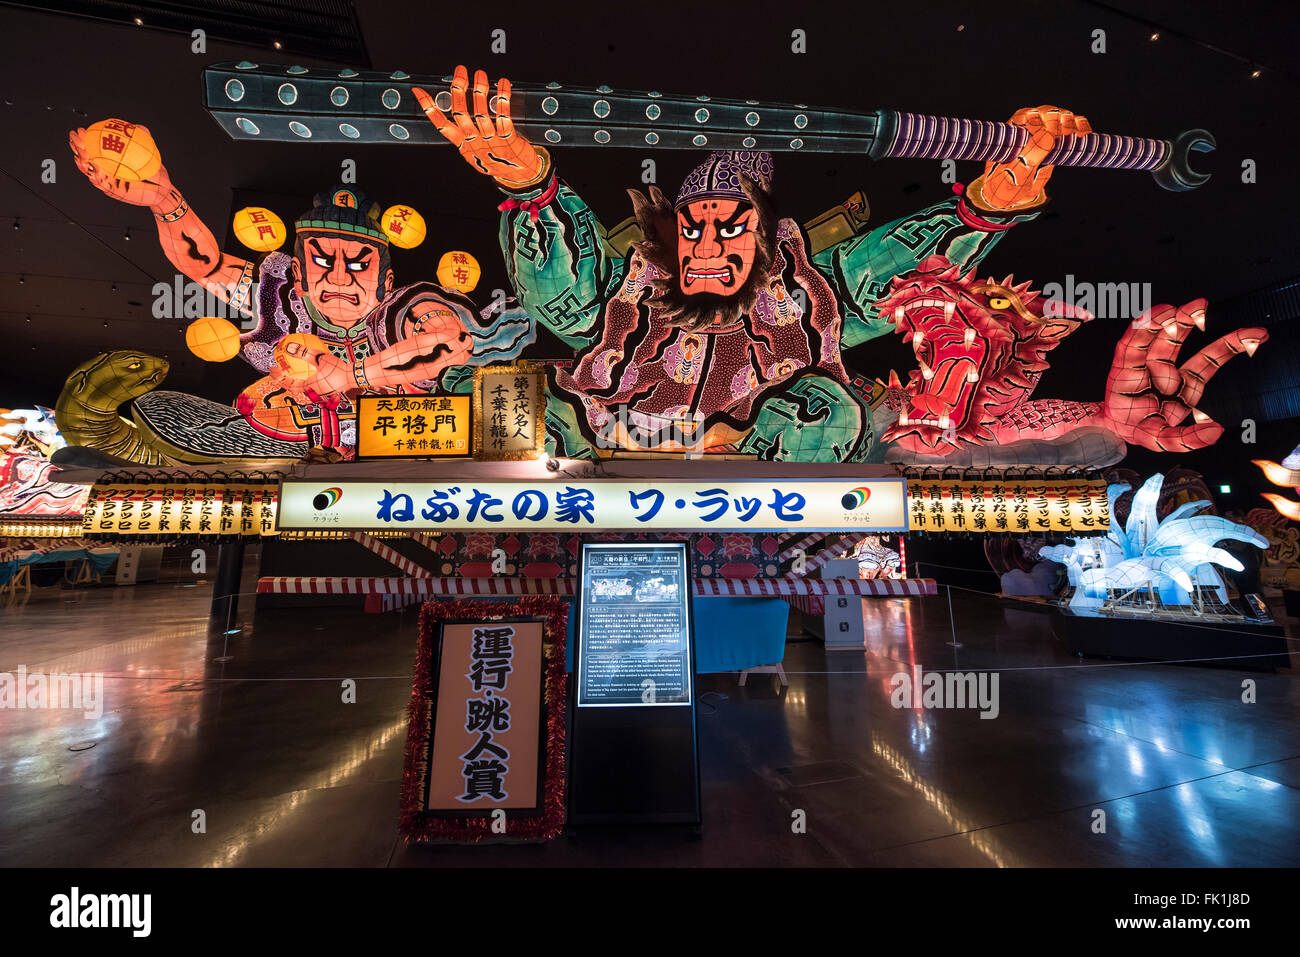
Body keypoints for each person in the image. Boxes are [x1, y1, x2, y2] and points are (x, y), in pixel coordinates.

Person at [415, 67, 1091, 462]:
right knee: (496, 401)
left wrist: (984, 208)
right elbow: (560, 297)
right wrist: (533, 191)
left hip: (752, 490)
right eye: (692, 231)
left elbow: (886, 271)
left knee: (831, 407)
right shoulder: (634, 292)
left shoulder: (806, 291)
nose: (706, 248)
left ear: (764, 239)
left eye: (729, 230)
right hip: (616, 458)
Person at [69, 126, 530, 449]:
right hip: (291, 447)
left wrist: (349, 377)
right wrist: (165, 202)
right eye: (322, 262)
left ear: (387, 280)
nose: (339, 278)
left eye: (358, 265)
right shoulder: (280, 301)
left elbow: (449, 341)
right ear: (299, 270)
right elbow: (203, 263)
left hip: (403, 450)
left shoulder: (406, 308)